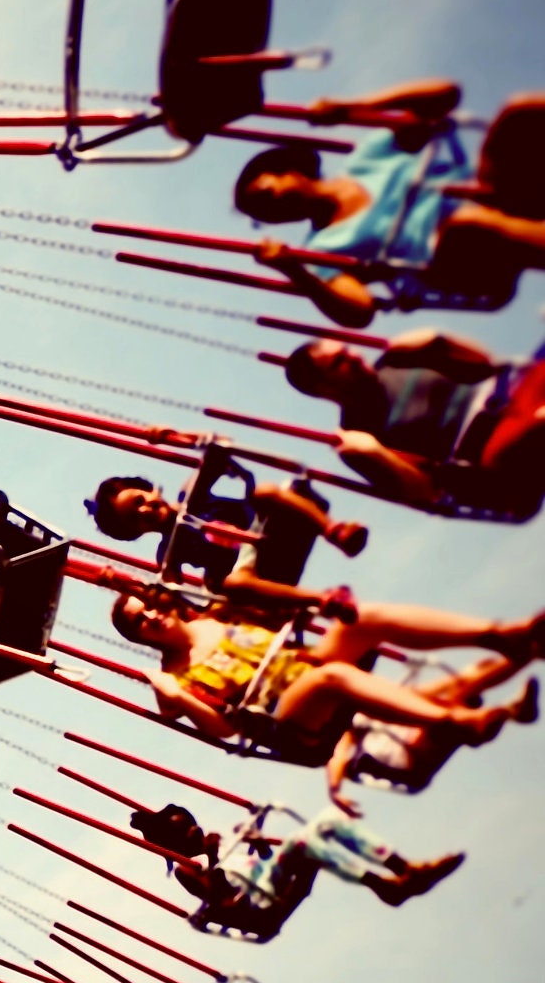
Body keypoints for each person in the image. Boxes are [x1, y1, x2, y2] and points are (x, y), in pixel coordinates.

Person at [108, 587, 541, 760]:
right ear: (140, 638)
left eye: (146, 605)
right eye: (138, 621)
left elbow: (253, 577)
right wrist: (174, 693)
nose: (149, 616)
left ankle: (501, 636)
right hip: (286, 716)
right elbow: (221, 729)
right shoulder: (174, 680)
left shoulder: (216, 613)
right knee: (331, 678)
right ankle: (458, 721)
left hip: (305, 662)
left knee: (365, 618)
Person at [236, 82, 545, 320]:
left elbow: (444, 94)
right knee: (473, 225)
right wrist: (294, 270)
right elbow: (360, 310)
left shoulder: (367, 159)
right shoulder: (322, 250)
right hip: (454, 258)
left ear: (289, 171)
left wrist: (353, 108)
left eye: (266, 196)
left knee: (521, 114)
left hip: (485, 194)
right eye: (263, 214)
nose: (271, 211)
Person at [282, 331, 545, 521]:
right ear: (323, 389)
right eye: (339, 361)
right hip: (491, 446)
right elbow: (426, 492)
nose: (354, 356)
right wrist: (377, 454)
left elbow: (485, 363)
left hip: (516, 392)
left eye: (348, 349)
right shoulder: (358, 439)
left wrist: (438, 342)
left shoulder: (396, 360)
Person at [84, 469, 365, 619]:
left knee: (263, 491)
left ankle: (334, 531)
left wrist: (189, 443)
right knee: (227, 586)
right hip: (260, 567)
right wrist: (126, 585)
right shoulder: (169, 550)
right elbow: (170, 596)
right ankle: (325, 600)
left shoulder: (191, 495)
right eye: (135, 519)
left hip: (271, 527)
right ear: (136, 534)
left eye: (140, 500)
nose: (145, 510)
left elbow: (216, 458)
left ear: (150, 488)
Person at [129, 797, 460, 923]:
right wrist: (214, 855)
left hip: (267, 879)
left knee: (328, 819)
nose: (195, 830)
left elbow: (261, 863)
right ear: (175, 844)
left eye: (191, 822)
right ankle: (383, 885)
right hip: (256, 901)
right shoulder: (188, 869)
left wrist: (259, 846)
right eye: (186, 831)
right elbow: (219, 899)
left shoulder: (219, 843)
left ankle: (401, 870)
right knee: (306, 842)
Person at [329, 653, 529, 802]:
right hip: (401, 756)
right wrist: (335, 789)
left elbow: (413, 695)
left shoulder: (369, 699)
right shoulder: (344, 725)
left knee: (463, 689)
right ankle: (523, 666)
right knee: (446, 717)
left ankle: (526, 656)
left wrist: (463, 678)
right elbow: (337, 756)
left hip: (412, 729)